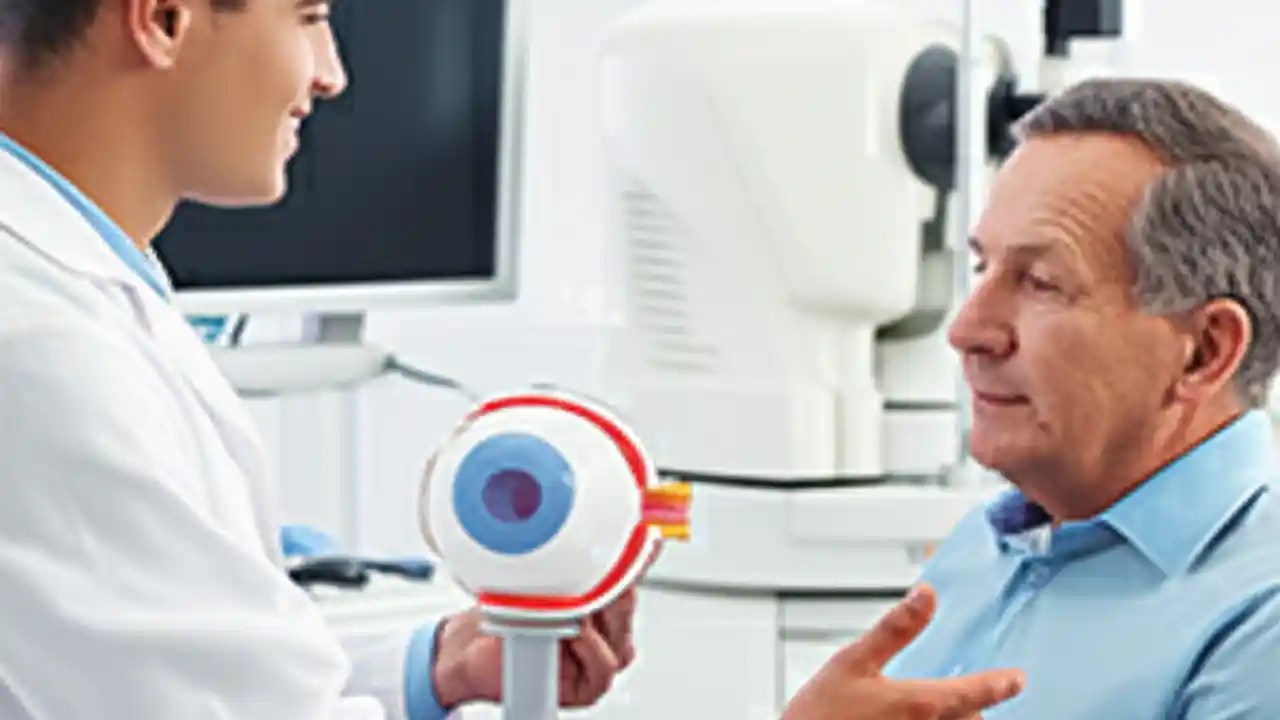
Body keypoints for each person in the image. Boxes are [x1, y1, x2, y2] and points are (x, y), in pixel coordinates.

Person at [0, 0, 1026, 718]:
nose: (331, 72)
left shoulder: (76, 297)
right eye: (308, 14)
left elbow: (198, 667)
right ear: (165, 16)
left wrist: (431, 668)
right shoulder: (43, 353)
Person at [873, 77, 1280, 717]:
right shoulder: (988, 545)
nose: (967, 330)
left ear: (1204, 350)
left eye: (1039, 281)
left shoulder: (1261, 626)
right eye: (984, 268)